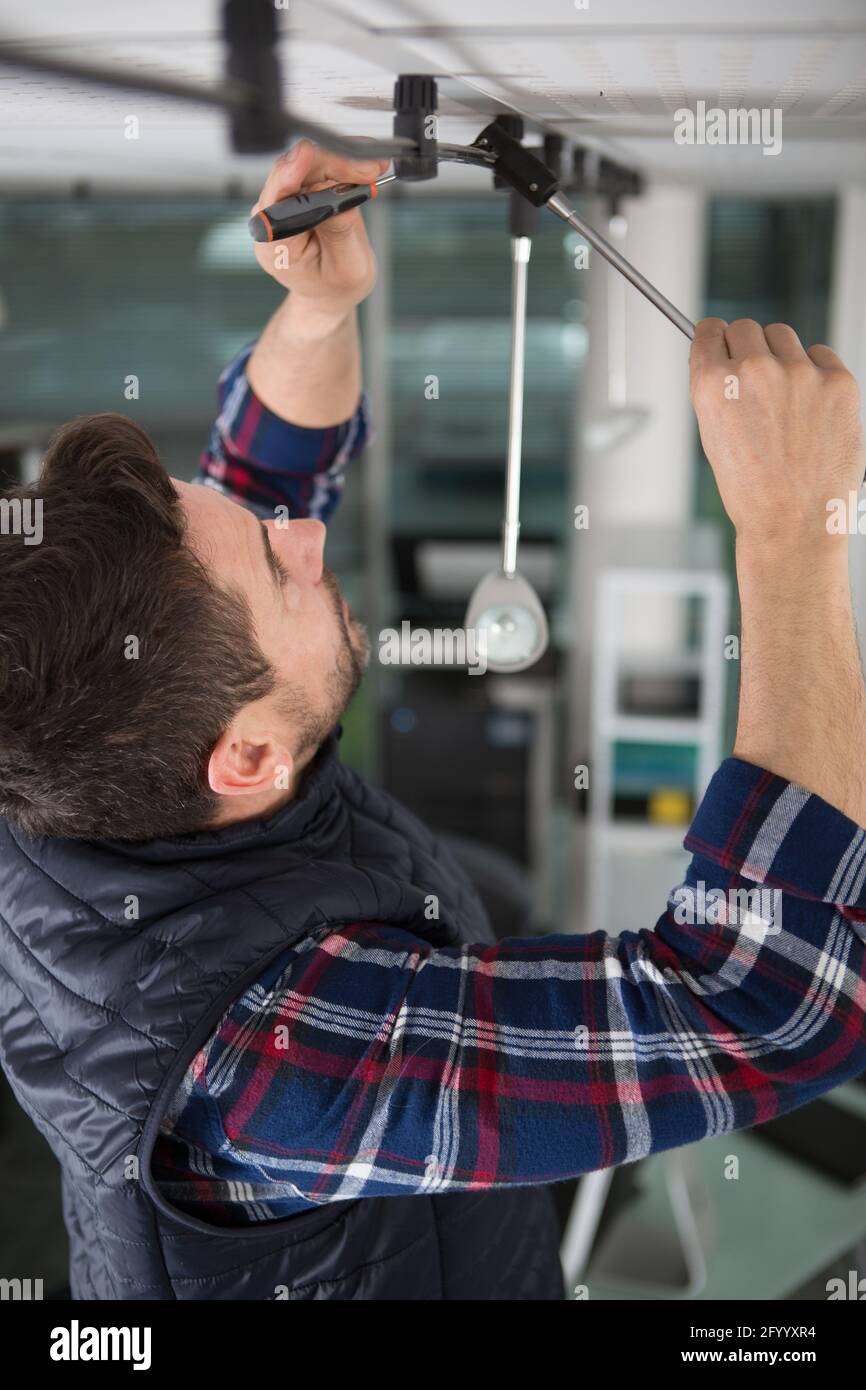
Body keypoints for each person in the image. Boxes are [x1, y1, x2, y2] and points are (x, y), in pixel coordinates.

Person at [0, 141, 865, 1302]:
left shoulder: (69, 744)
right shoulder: (269, 1070)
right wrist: (788, 538)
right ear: (246, 757)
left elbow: (258, 489)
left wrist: (316, 311)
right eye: (282, 565)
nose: (305, 536)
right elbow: (768, 1002)